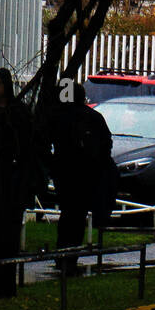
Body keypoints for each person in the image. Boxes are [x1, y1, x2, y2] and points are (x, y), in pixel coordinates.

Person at [0, 68, 48, 298]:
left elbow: (27, 142)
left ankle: (5, 264)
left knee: (11, 216)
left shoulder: (19, 111)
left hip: (13, 171)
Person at [45, 83, 115, 275]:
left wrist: (54, 165)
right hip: (85, 175)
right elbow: (106, 144)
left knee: (68, 214)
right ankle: (70, 256)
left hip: (65, 175)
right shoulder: (92, 117)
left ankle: (63, 254)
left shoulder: (57, 117)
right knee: (76, 216)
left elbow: (47, 144)